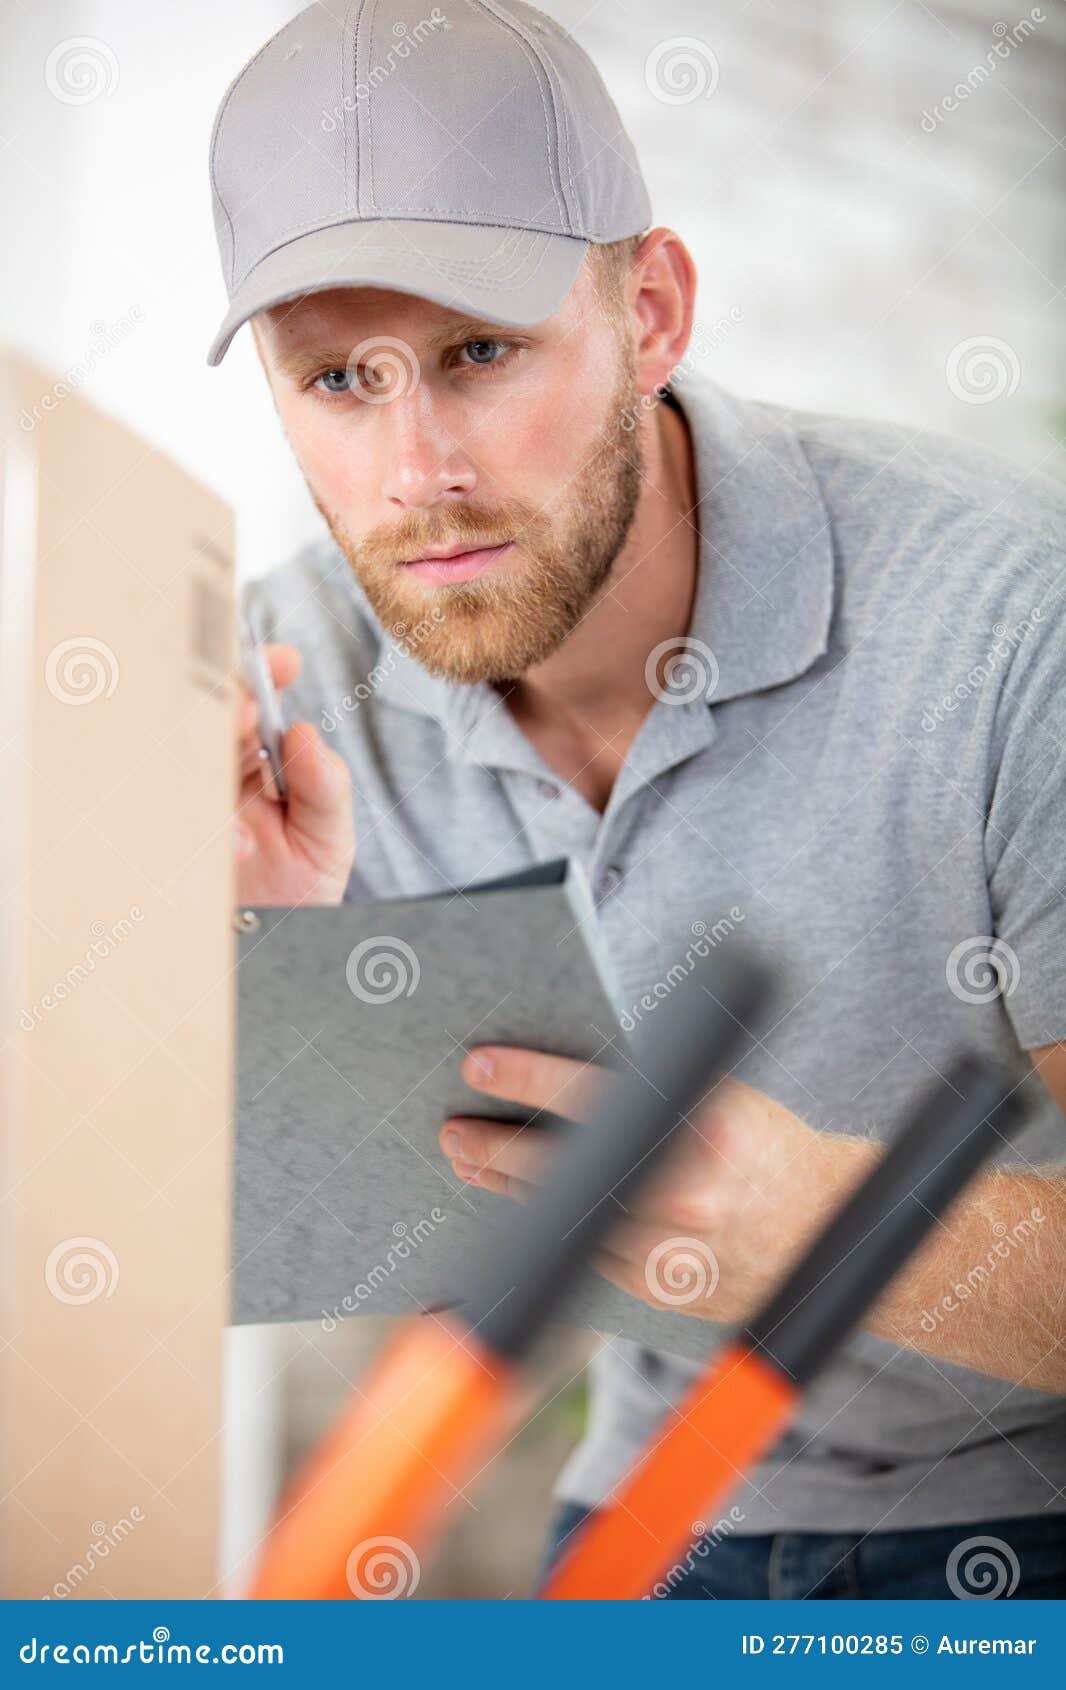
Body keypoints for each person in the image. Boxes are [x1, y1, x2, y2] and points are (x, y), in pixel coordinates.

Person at [212, 1, 1066, 1599]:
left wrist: (813, 1211)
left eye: (479, 350)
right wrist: (261, 970)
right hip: (661, 1511)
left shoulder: (1014, 630)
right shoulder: (278, 686)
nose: (417, 469)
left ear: (650, 309)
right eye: (337, 378)